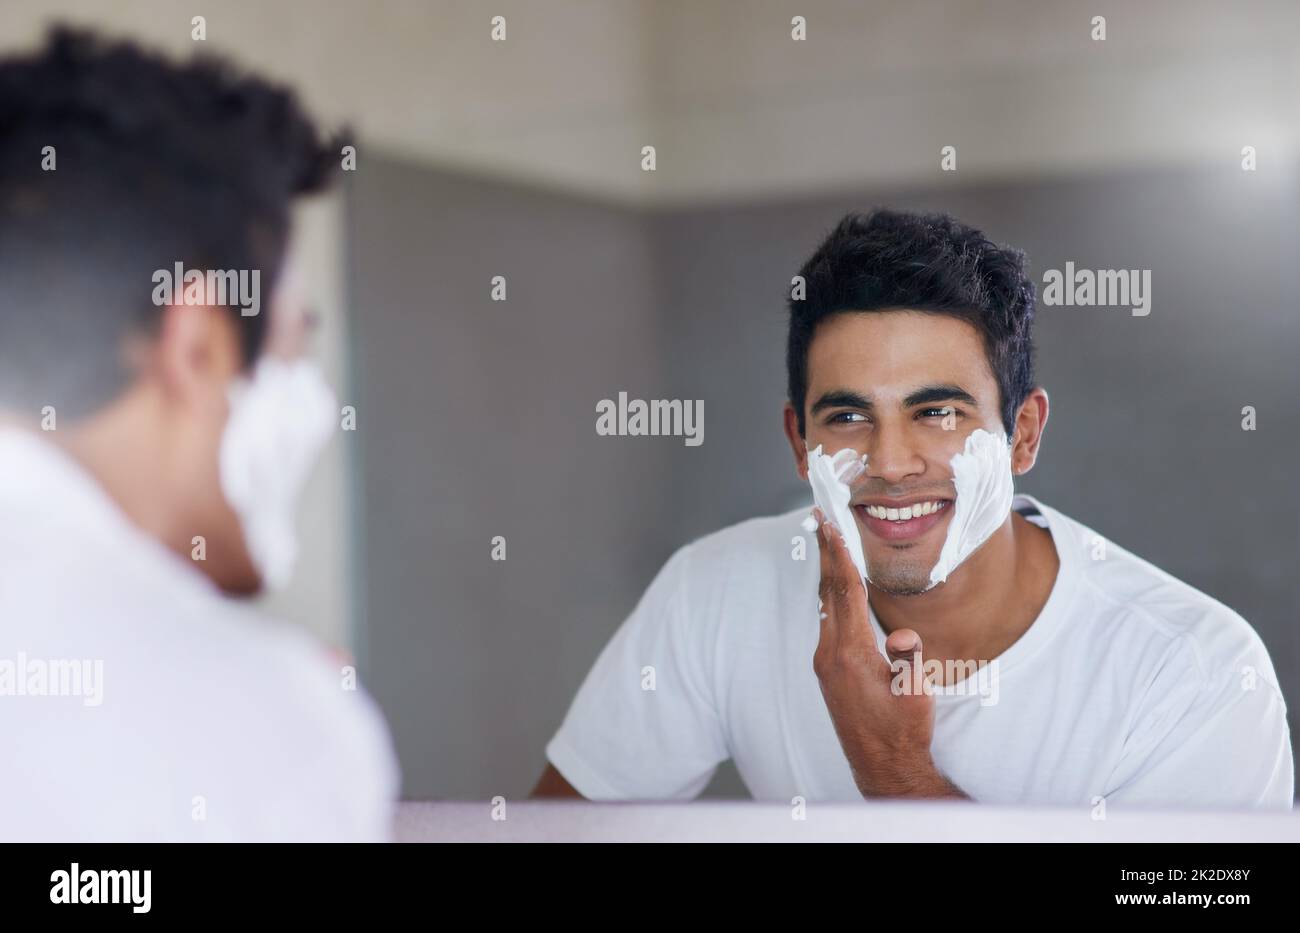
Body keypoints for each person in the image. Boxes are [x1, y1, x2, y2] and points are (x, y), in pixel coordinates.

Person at [535, 208, 1294, 808]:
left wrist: (898, 776)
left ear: (1022, 433)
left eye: (938, 412)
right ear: (800, 443)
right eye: (847, 417)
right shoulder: (715, 592)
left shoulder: (1198, 672)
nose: (890, 462)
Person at [0, 29, 397, 840]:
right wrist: (266, 702)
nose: (310, 404)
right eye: (292, 345)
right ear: (197, 346)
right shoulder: (266, 725)